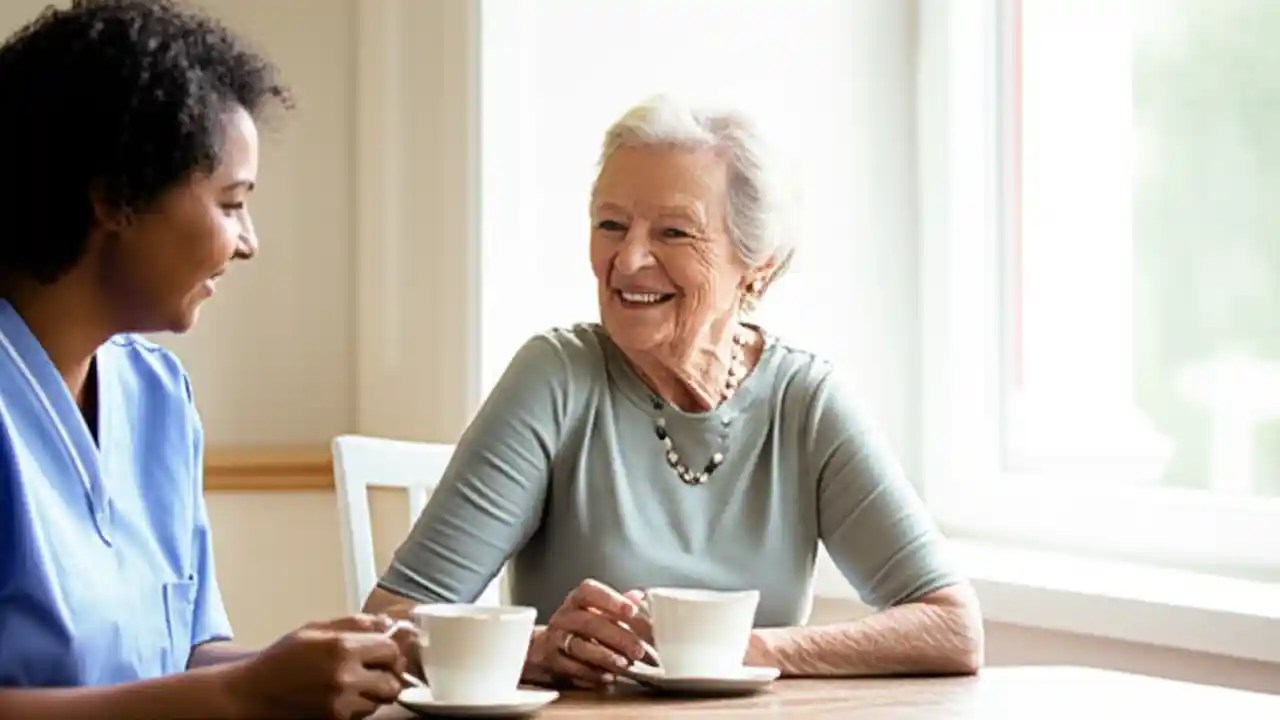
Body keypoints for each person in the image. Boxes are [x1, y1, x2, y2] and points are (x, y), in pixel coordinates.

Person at [364, 96, 984, 687]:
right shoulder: (555, 378)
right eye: (611, 224)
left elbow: (953, 628)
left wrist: (750, 652)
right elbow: (389, 621)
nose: (629, 259)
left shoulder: (805, 400)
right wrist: (537, 649)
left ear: (757, 263)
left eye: (673, 233)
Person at [0, 2, 411, 718]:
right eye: (231, 203)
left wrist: (366, 659)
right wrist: (239, 694)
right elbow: (213, 691)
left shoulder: (157, 394)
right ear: (115, 198)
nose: (247, 241)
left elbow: (190, 658)